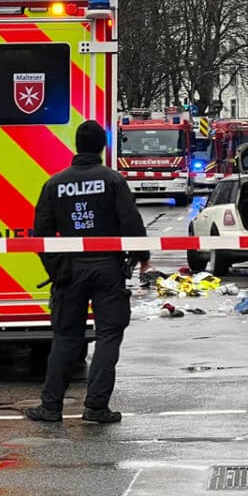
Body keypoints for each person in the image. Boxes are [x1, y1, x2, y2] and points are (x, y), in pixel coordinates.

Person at [24, 120, 150, 425]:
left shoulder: (55, 184)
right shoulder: (113, 180)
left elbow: (40, 234)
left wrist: (57, 269)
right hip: (108, 268)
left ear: (76, 146)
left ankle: (51, 407)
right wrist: (142, 257)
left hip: (71, 271)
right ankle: (96, 407)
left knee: (66, 337)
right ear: (102, 146)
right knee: (108, 335)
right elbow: (130, 223)